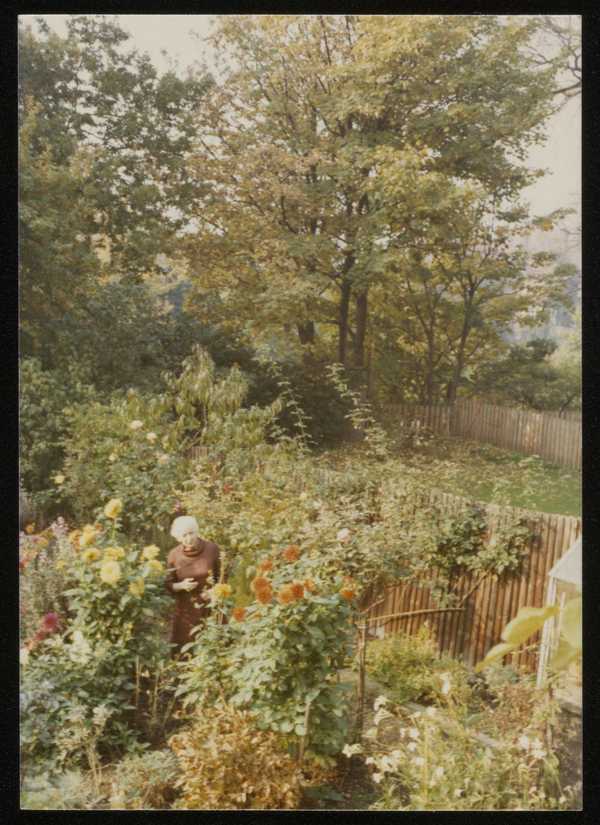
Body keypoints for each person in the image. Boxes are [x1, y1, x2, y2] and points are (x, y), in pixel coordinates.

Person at [165, 516, 222, 654]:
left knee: (214, 644)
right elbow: (168, 583)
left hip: (210, 604)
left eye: (191, 533)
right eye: (184, 535)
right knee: (185, 648)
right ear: (178, 537)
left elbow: (223, 576)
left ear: (197, 532)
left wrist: (214, 592)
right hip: (186, 607)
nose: (188, 538)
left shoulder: (212, 549)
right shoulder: (174, 555)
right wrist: (181, 585)